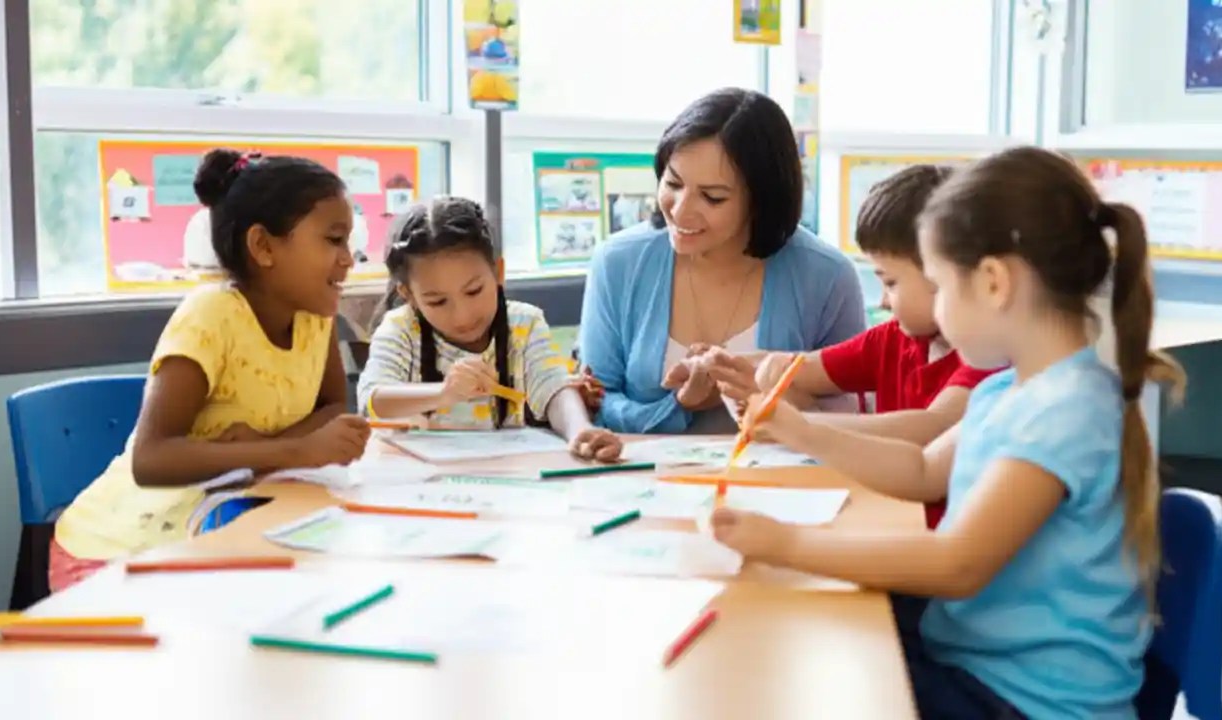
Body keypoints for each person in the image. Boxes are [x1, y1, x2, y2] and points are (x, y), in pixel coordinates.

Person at [711, 146, 1185, 719]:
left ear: (992, 282)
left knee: (816, 675)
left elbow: (959, 563)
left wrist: (787, 545)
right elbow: (922, 472)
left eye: (938, 283)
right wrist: (795, 429)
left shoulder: (1067, 410)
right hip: (976, 661)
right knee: (808, 638)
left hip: (1026, 701)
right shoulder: (1008, 390)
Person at [51, 149, 372, 592]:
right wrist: (292, 452)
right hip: (115, 550)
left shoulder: (315, 316)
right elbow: (151, 460)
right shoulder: (210, 316)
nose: (349, 259)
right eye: (333, 239)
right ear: (263, 246)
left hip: (216, 530)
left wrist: (272, 445)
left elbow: (334, 406)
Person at [709, 164, 998, 528]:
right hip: (892, 523)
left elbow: (930, 428)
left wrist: (801, 427)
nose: (884, 303)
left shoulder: (987, 356)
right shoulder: (894, 338)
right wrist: (731, 364)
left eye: (890, 282)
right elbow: (802, 368)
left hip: (933, 539)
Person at [578, 87, 865, 435]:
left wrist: (765, 395)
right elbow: (594, 402)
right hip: (642, 483)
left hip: (782, 482)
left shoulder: (827, 277)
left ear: (761, 200)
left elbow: (852, 420)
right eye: (673, 183)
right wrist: (679, 405)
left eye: (712, 198)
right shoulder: (618, 262)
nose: (680, 210)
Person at [358, 197, 621, 461]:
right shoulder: (401, 329)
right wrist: (443, 393)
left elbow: (553, 388)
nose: (462, 315)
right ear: (409, 295)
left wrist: (580, 429)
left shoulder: (524, 324)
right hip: (419, 484)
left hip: (507, 477)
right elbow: (373, 400)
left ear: (498, 272)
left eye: (474, 291)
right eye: (437, 301)